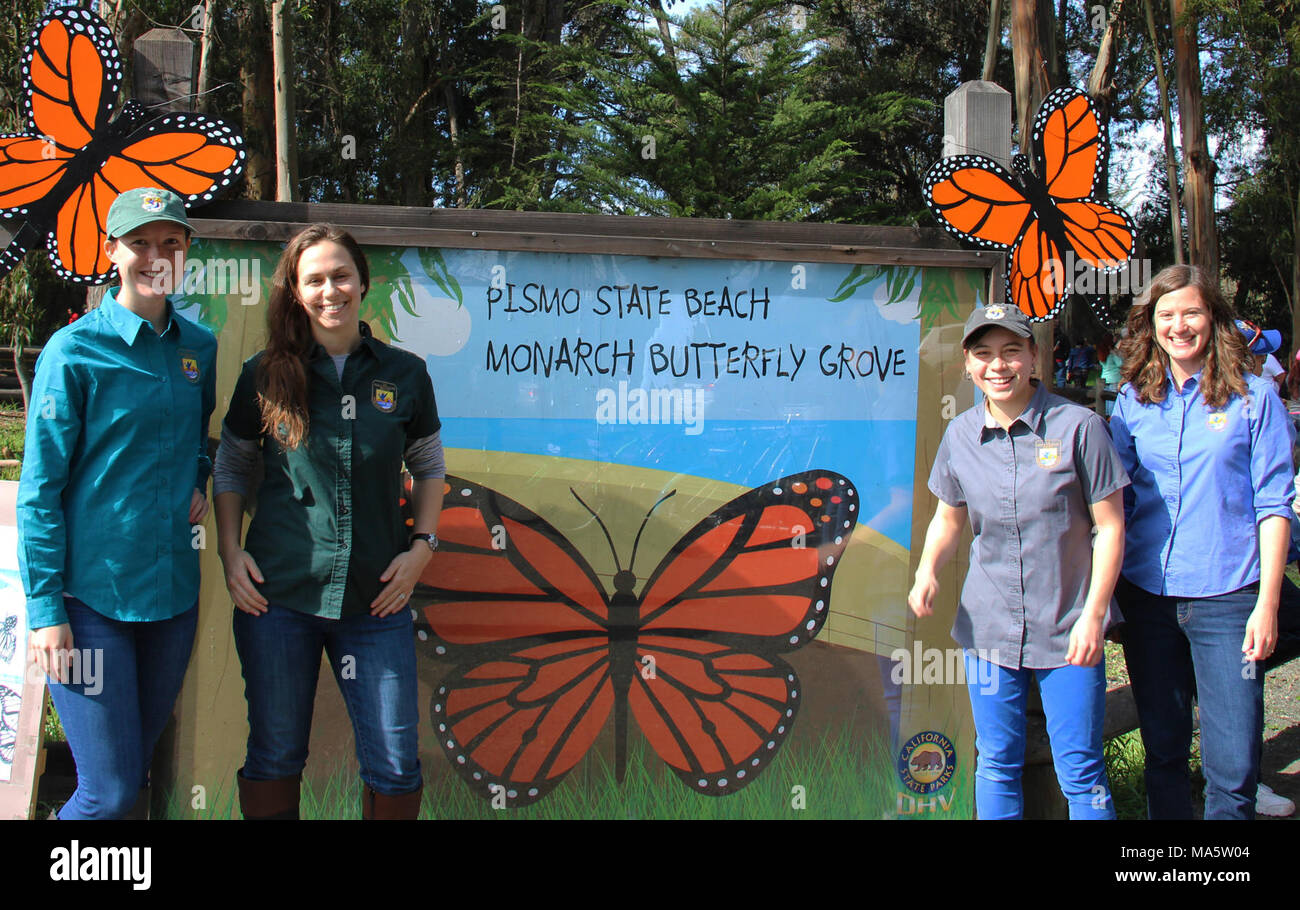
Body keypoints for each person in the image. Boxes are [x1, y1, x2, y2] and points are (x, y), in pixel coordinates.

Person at [214, 223, 445, 820]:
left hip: (377, 601)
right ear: (296, 291)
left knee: (396, 766)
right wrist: (229, 552)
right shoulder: (263, 374)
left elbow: (428, 465)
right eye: (313, 279)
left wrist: (422, 546)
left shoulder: (406, 374)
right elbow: (232, 466)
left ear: (363, 283)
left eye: (341, 275)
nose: (330, 290)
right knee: (275, 754)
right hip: (279, 597)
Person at [18, 187, 216, 819]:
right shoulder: (73, 351)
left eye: (171, 243)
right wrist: (47, 609)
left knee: (131, 778)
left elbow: (198, 435)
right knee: (104, 794)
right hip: (89, 603)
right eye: (139, 243)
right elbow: (40, 491)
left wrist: (200, 478)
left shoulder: (199, 348)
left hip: (171, 602)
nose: (155, 256)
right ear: (111, 251)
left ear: (186, 252)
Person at [908, 303, 1128, 819]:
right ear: (967, 363)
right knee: (997, 762)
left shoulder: (1080, 428)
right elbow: (948, 518)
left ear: (1035, 356)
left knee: (1081, 770)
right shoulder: (960, 435)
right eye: (983, 353)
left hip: (1068, 626)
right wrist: (927, 572)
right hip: (987, 630)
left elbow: (1112, 527)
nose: (998, 365)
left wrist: (1094, 615)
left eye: (1011, 351)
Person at [1109, 265, 1293, 819]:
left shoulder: (1255, 399)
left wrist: (1268, 603)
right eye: (1166, 315)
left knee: (1232, 766)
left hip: (1229, 598)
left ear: (1213, 318)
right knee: (1163, 754)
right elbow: (1115, 505)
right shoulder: (1132, 402)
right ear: (1151, 325)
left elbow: (1274, 505)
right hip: (1148, 598)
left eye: (1191, 312)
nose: (1179, 325)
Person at [1097, 333, 1123, 416]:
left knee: (1105, 399)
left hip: (1105, 378)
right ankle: (1111, 416)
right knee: (1112, 399)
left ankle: (1106, 414)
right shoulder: (1111, 355)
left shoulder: (1102, 355)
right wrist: (1117, 354)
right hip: (1114, 379)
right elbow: (1120, 364)